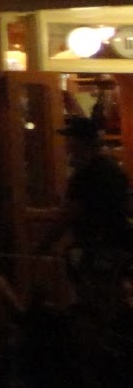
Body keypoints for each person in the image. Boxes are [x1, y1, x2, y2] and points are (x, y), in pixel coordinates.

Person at [57, 115, 132, 313]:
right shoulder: (114, 170)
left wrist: (46, 242)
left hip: (94, 247)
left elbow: (70, 213)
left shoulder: (84, 175)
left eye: (70, 139)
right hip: (118, 243)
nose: (67, 145)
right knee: (114, 296)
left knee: (93, 300)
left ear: (81, 142)